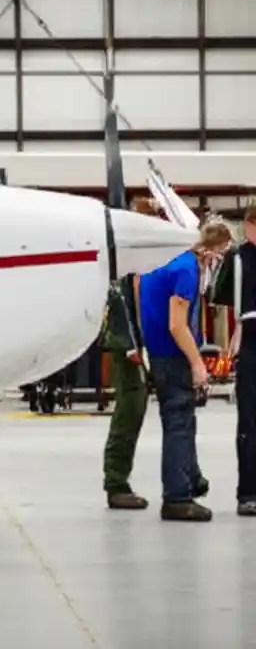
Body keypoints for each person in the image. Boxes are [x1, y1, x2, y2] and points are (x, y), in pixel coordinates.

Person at [138, 221, 234, 521]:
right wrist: (196, 363)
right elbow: (177, 324)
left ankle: (191, 478)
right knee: (179, 421)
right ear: (214, 250)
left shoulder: (169, 263)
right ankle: (177, 497)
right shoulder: (187, 271)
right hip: (173, 356)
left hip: (159, 352)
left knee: (184, 419)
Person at [101, 197, 160, 510]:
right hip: (128, 348)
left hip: (134, 344)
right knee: (129, 413)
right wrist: (130, 345)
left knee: (133, 411)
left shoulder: (134, 256)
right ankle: (116, 483)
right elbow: (120, 302)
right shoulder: (127, 256)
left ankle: (117, 481)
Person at [226, 205, 256, 516]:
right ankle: (248, 492)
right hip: (251, 344)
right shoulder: (238, 257)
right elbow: (231, 301)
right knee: (249, 420)